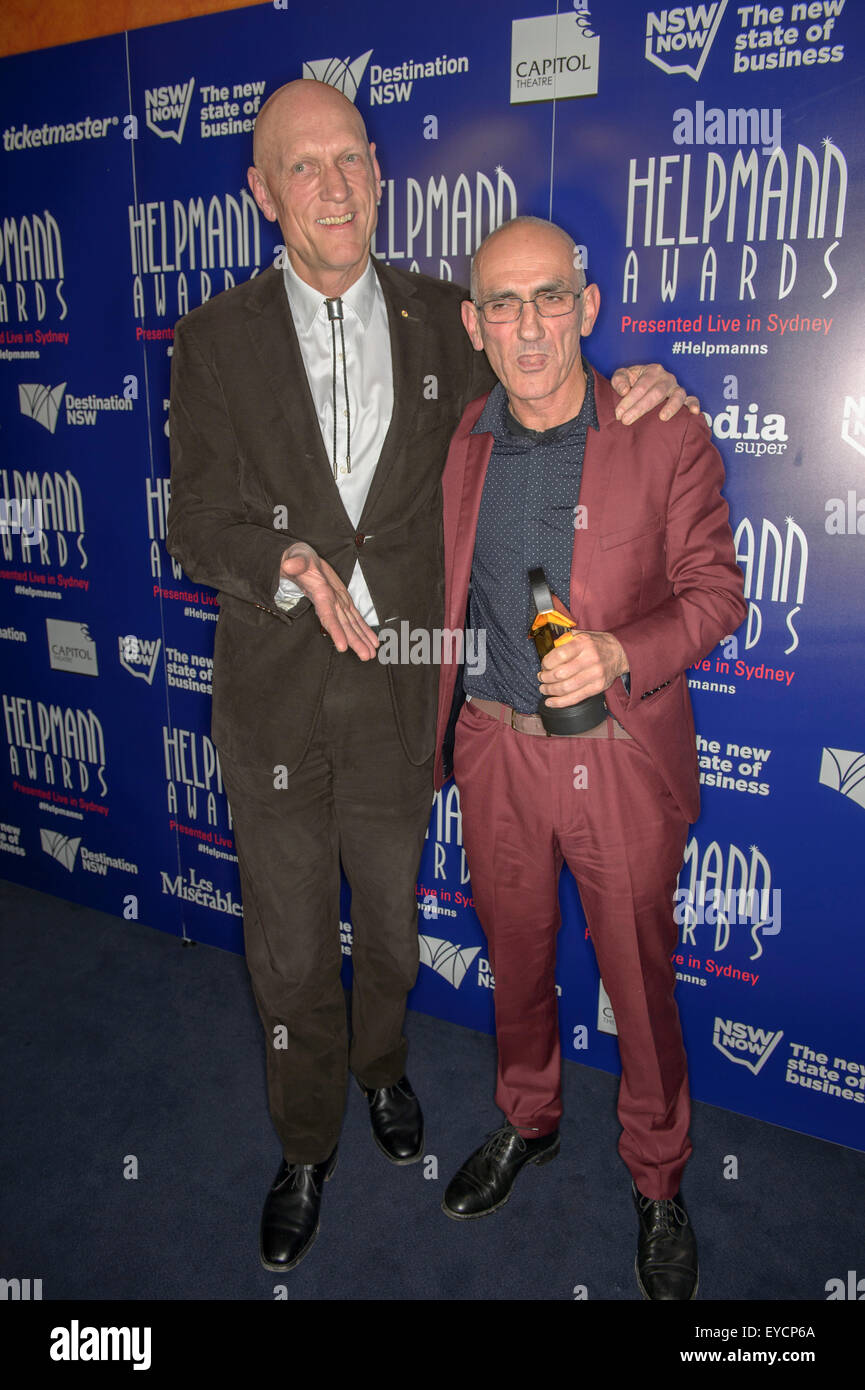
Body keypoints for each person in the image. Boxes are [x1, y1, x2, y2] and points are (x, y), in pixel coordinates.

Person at [167, 78, 698, 1275]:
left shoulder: (448, 320)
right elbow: (194, 519)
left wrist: (645, 386)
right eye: (302, 168)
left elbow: (549, 377)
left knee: (396, 940)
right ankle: (306, 1143)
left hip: (411, 701)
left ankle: (384, 1072)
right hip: (276, 703)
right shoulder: (212, 340)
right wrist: (283, 560)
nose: (334, 185)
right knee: (293, 953)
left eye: (350, 157)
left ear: (378, 170)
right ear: (262, 194)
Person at [433, 216, 747, 1300]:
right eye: (504, 305)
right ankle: (529, 1116)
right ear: (474, 323)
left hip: (613, 753)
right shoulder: (460, 440)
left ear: (588, 305)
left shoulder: (662, 431)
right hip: (495, 753)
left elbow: (717, 596)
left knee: (637, 979)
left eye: (550, 297)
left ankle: (658, 1177)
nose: (528, 326)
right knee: (515, 965)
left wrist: (616, 649)